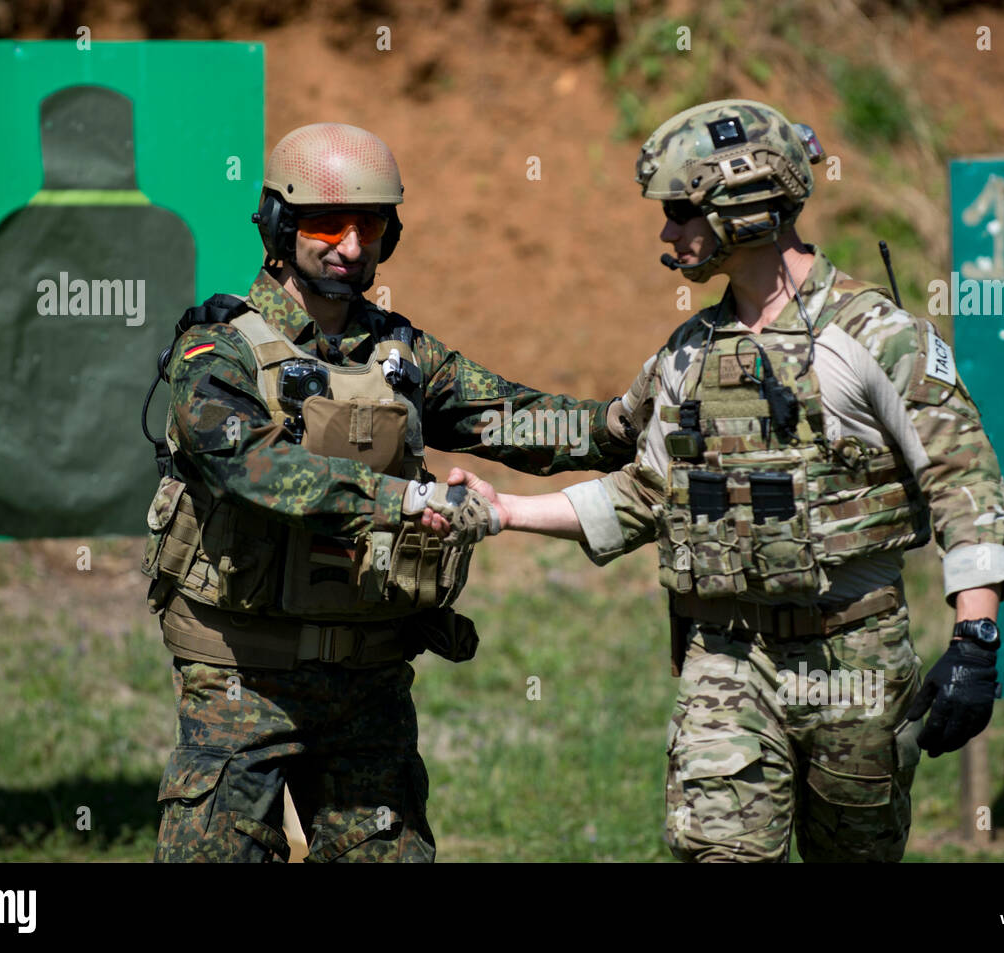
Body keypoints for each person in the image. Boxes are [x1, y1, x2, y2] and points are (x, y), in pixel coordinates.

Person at [446, 100, 1004, 862]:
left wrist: (976, 639)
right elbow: (645, 491)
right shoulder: (686, 355)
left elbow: (964, 479)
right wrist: (505, 510)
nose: (665, 232)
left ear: (743, 203)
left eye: (679, 211)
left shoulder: (874, 335)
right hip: (725, 658)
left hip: (855, 657)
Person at [139, 122, 634, 862]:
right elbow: (249, 467)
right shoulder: (218, 350)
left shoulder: (402, 354)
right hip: (240, 677)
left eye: (368, 225)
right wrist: (403, 501)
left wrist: (626, 421)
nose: (349, 245)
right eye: (326, 224)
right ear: (279, 225)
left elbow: (513, 417)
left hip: (369, 679)